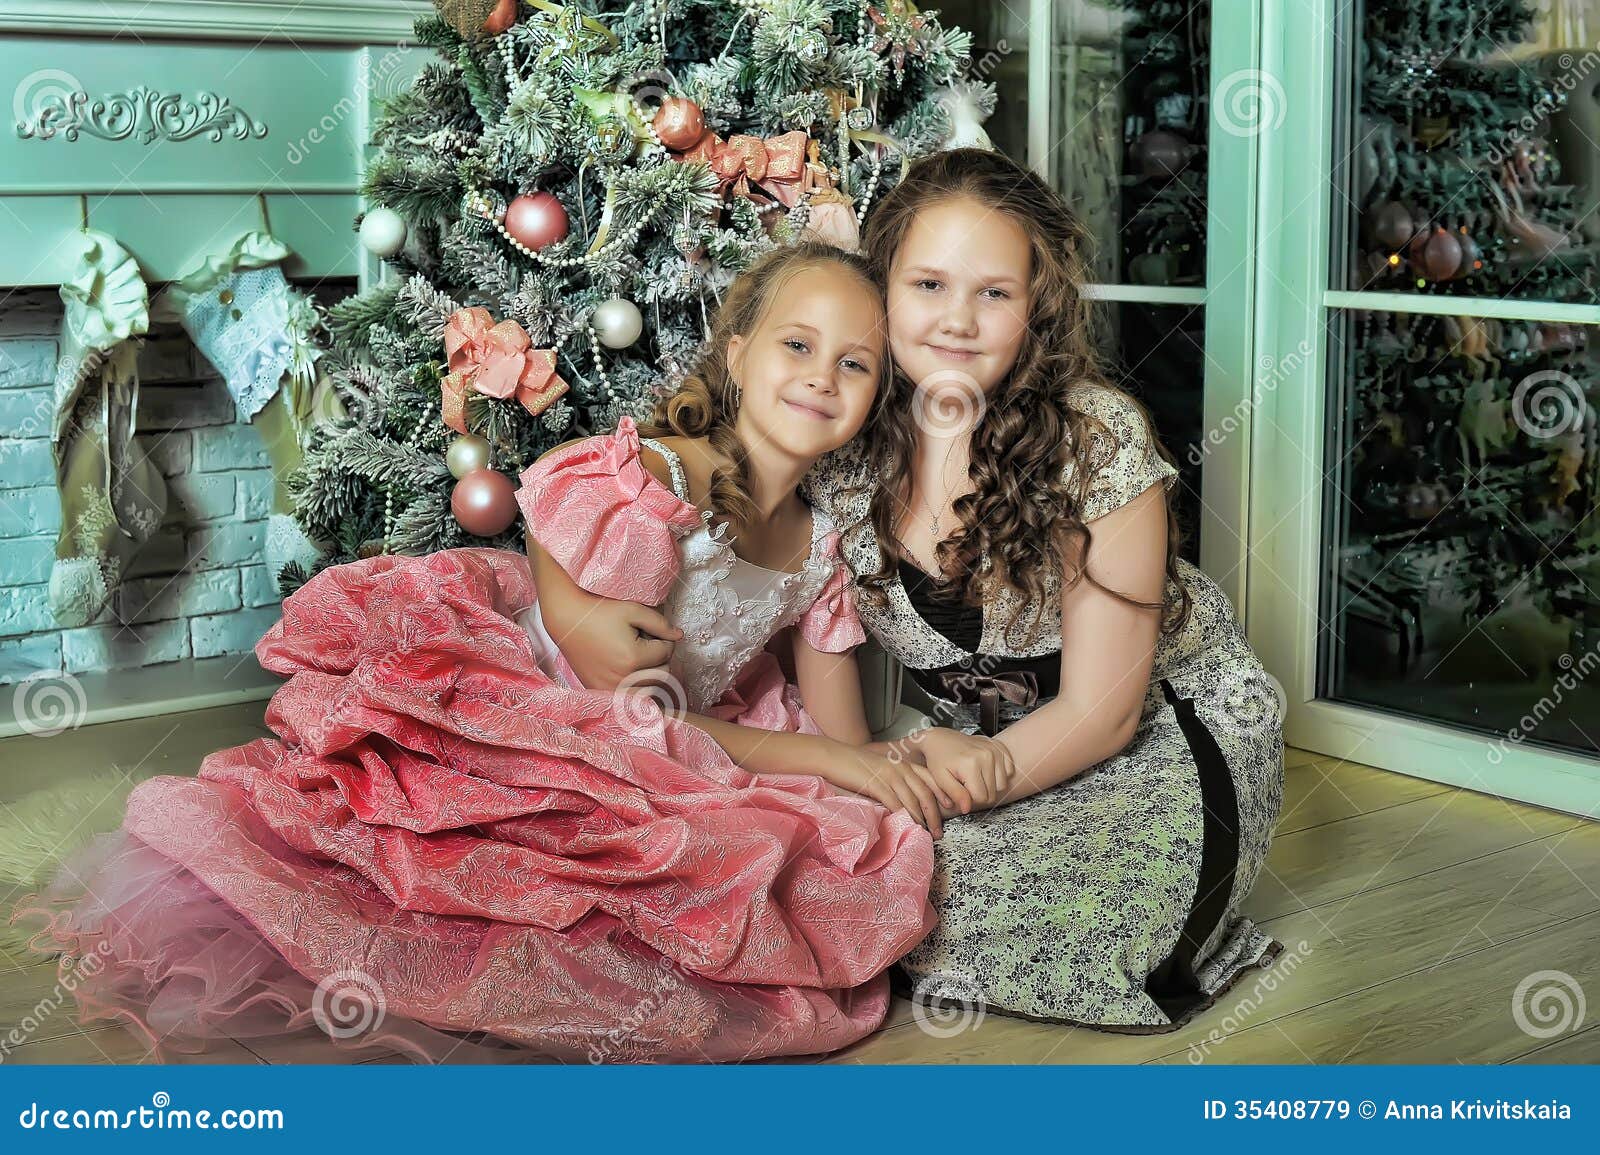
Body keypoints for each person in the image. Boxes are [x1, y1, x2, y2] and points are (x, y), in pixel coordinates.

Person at [12, 243, 995, 1064]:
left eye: (855, 364)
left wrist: (875, 768)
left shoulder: (823, 539)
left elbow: (838, 734)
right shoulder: (660, 477)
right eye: (796, 345)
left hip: (674, 732)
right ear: (737, 355)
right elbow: (574, 572)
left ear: (878, 392)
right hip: (549, 717)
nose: (821, 376)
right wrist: (572, 615)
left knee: (843, 839)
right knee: (639, 849)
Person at [536, 149, 1289, 1033]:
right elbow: (639, 478)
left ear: (1036, 309)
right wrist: (571, 609)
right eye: (929, 284)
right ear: (882, 287)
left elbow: (1103, 711)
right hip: (953, 744)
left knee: (1044, 912)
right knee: (845, 880)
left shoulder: (1097, 440)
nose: (958, 321)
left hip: (1149, 734)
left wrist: (965, 779)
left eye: (995, 294)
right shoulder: (843, 430)